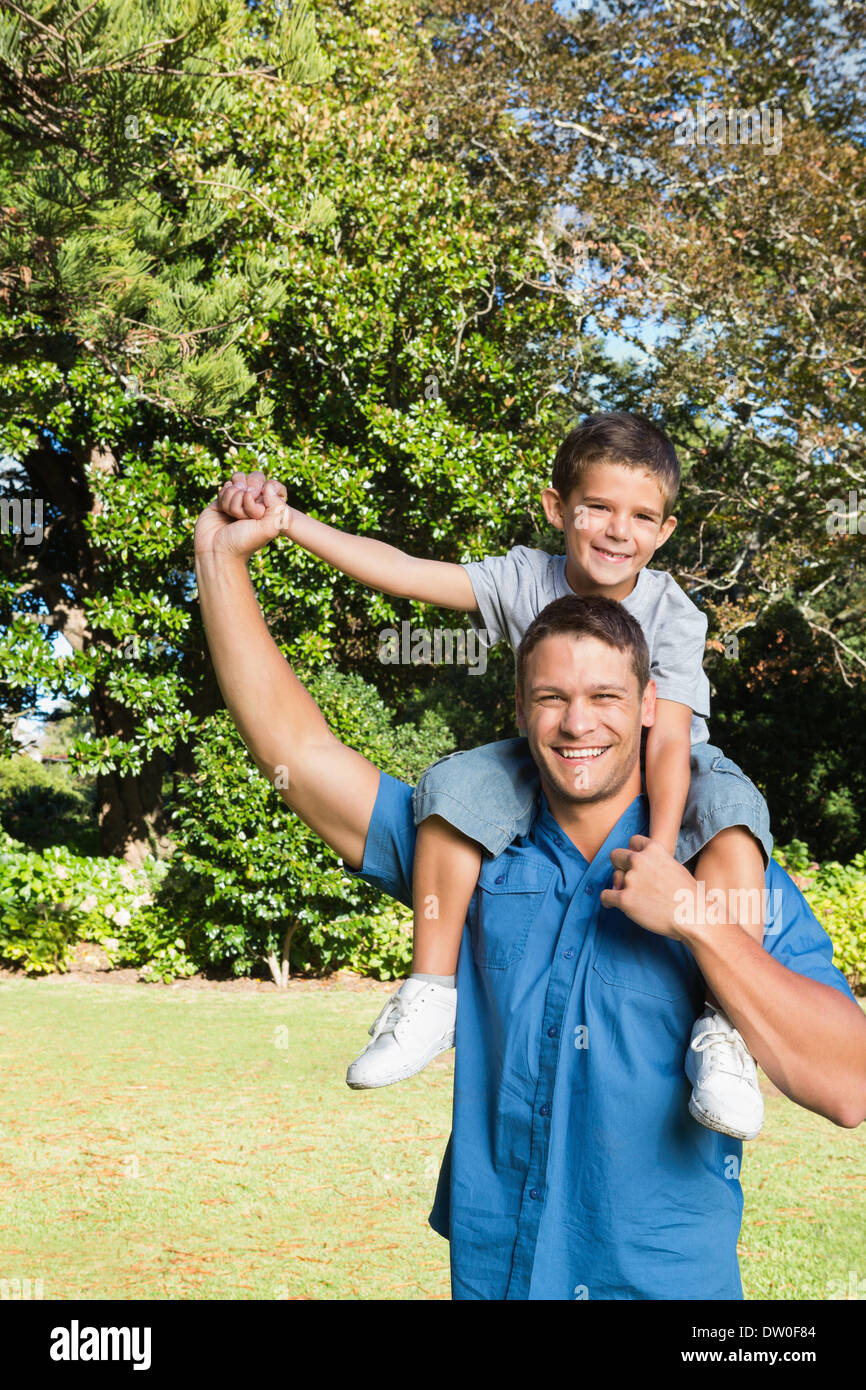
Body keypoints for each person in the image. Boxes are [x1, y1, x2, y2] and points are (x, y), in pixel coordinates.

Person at [194, 481, 866, 1301]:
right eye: (552, 698)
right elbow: (293, 750)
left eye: (606, 698)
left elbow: (849, 1086)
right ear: (520, 707)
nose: (578, 725)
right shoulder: (466, 846)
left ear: (652, 706)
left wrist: (696, 922)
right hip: (500, 1279)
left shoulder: (724, 864)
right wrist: (220, 560)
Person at [215, 413, 771, 1145]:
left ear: (664, 532)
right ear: (556, 508)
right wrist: (289, 524)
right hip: (549, 764)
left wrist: (663, 851)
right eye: (597, 507)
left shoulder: (672, 612)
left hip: (667, 762)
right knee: (454, 787)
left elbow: (667, 737)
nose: (616, 531)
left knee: (733, 814)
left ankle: (727, 1031)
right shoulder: (522, 576)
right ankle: (430, 992)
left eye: (640, 516)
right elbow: (406, 573)